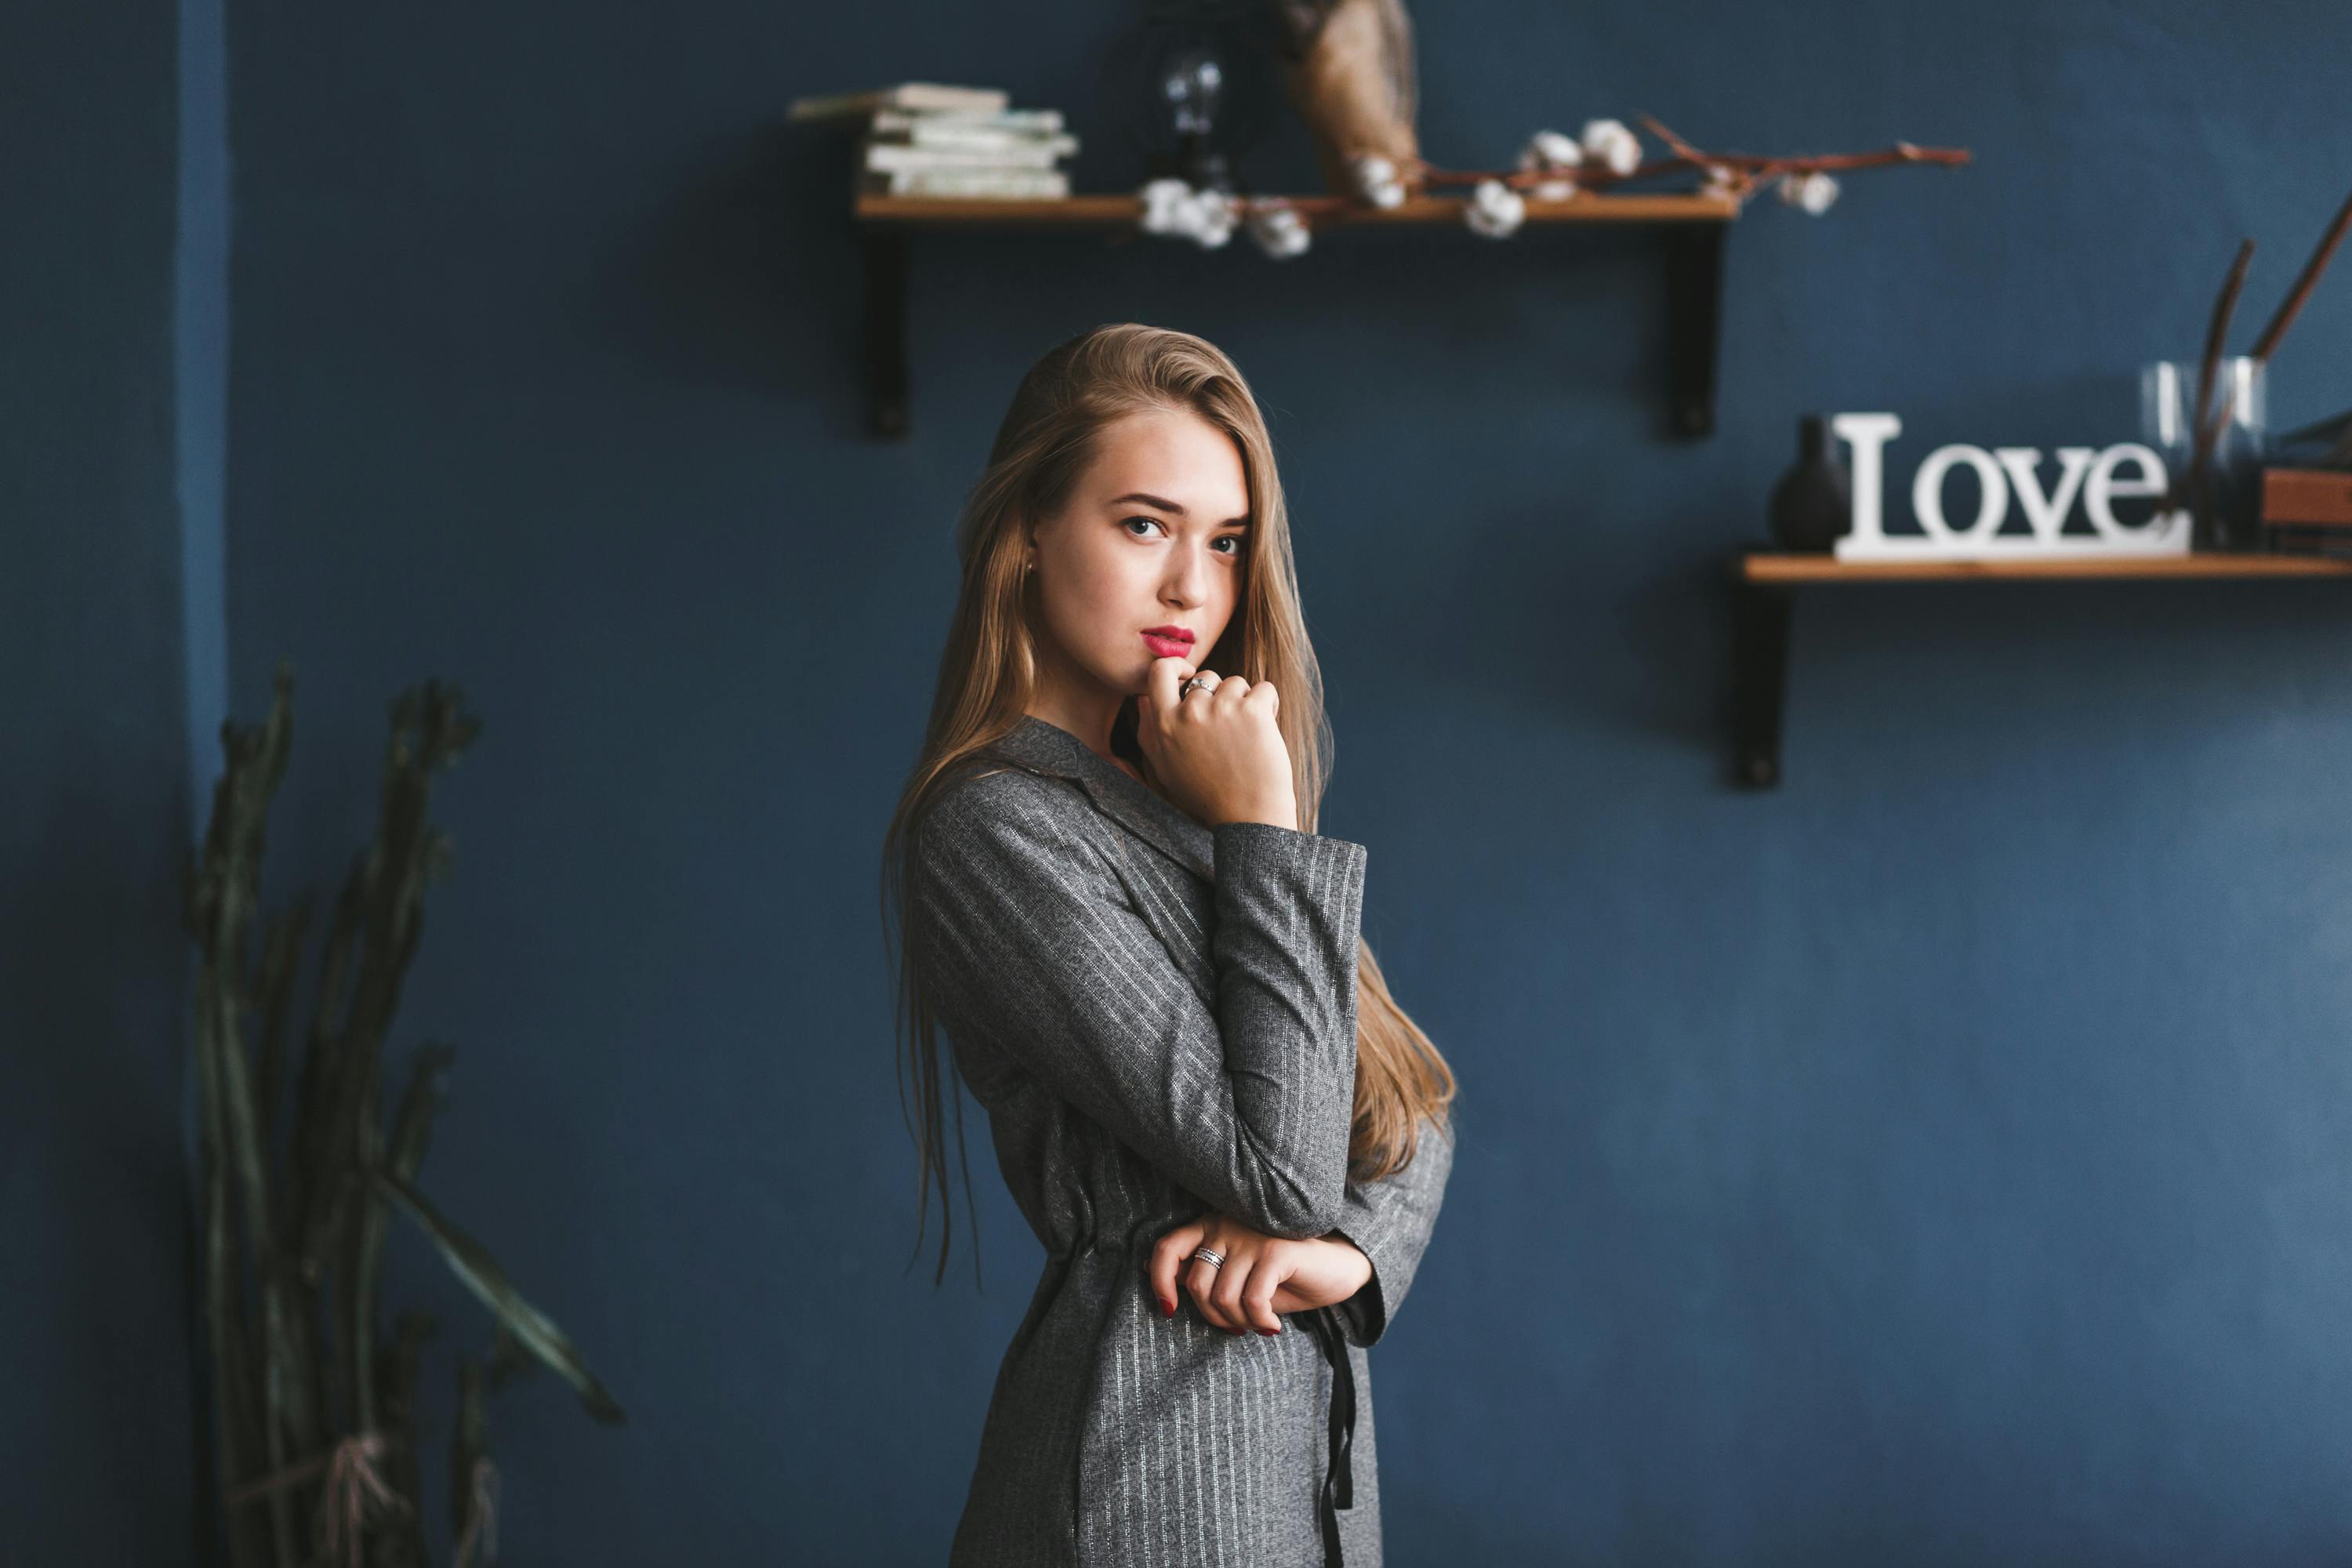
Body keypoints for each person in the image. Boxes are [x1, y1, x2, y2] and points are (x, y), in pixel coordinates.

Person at [881, 322, 1460, 1566]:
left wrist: (1338, 1264)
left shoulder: (1183, 801)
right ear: (1028, 533)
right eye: (1144, 525)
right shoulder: (992, 825)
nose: (1194, 589)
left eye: (1228, 542)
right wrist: (1264, 823)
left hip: (1301, 1482)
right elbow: (1282, 1165)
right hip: (1150, 1488)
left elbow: (1410, 1110)